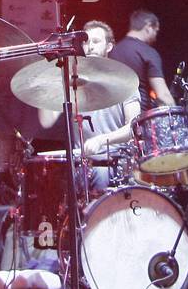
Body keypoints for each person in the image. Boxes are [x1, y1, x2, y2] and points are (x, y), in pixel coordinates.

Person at [37, 20, 141, 191]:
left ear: (109, 46)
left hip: (114, 163)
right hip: (80, 164)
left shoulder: (125, 81)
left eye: (96, 41)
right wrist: (46, 88)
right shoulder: (72, 82)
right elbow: (46, 121)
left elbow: (134, 128)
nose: (90, 46)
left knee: (100, 176)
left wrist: (102, 140)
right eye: (86, 42)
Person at [109, 9, 175, 112]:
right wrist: (177, 113)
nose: (155, 36)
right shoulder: (148, 52)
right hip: (141, 117)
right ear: (148, 27)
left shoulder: (112, 51)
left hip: (115, 116)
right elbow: (162, 95)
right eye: (156, 31)